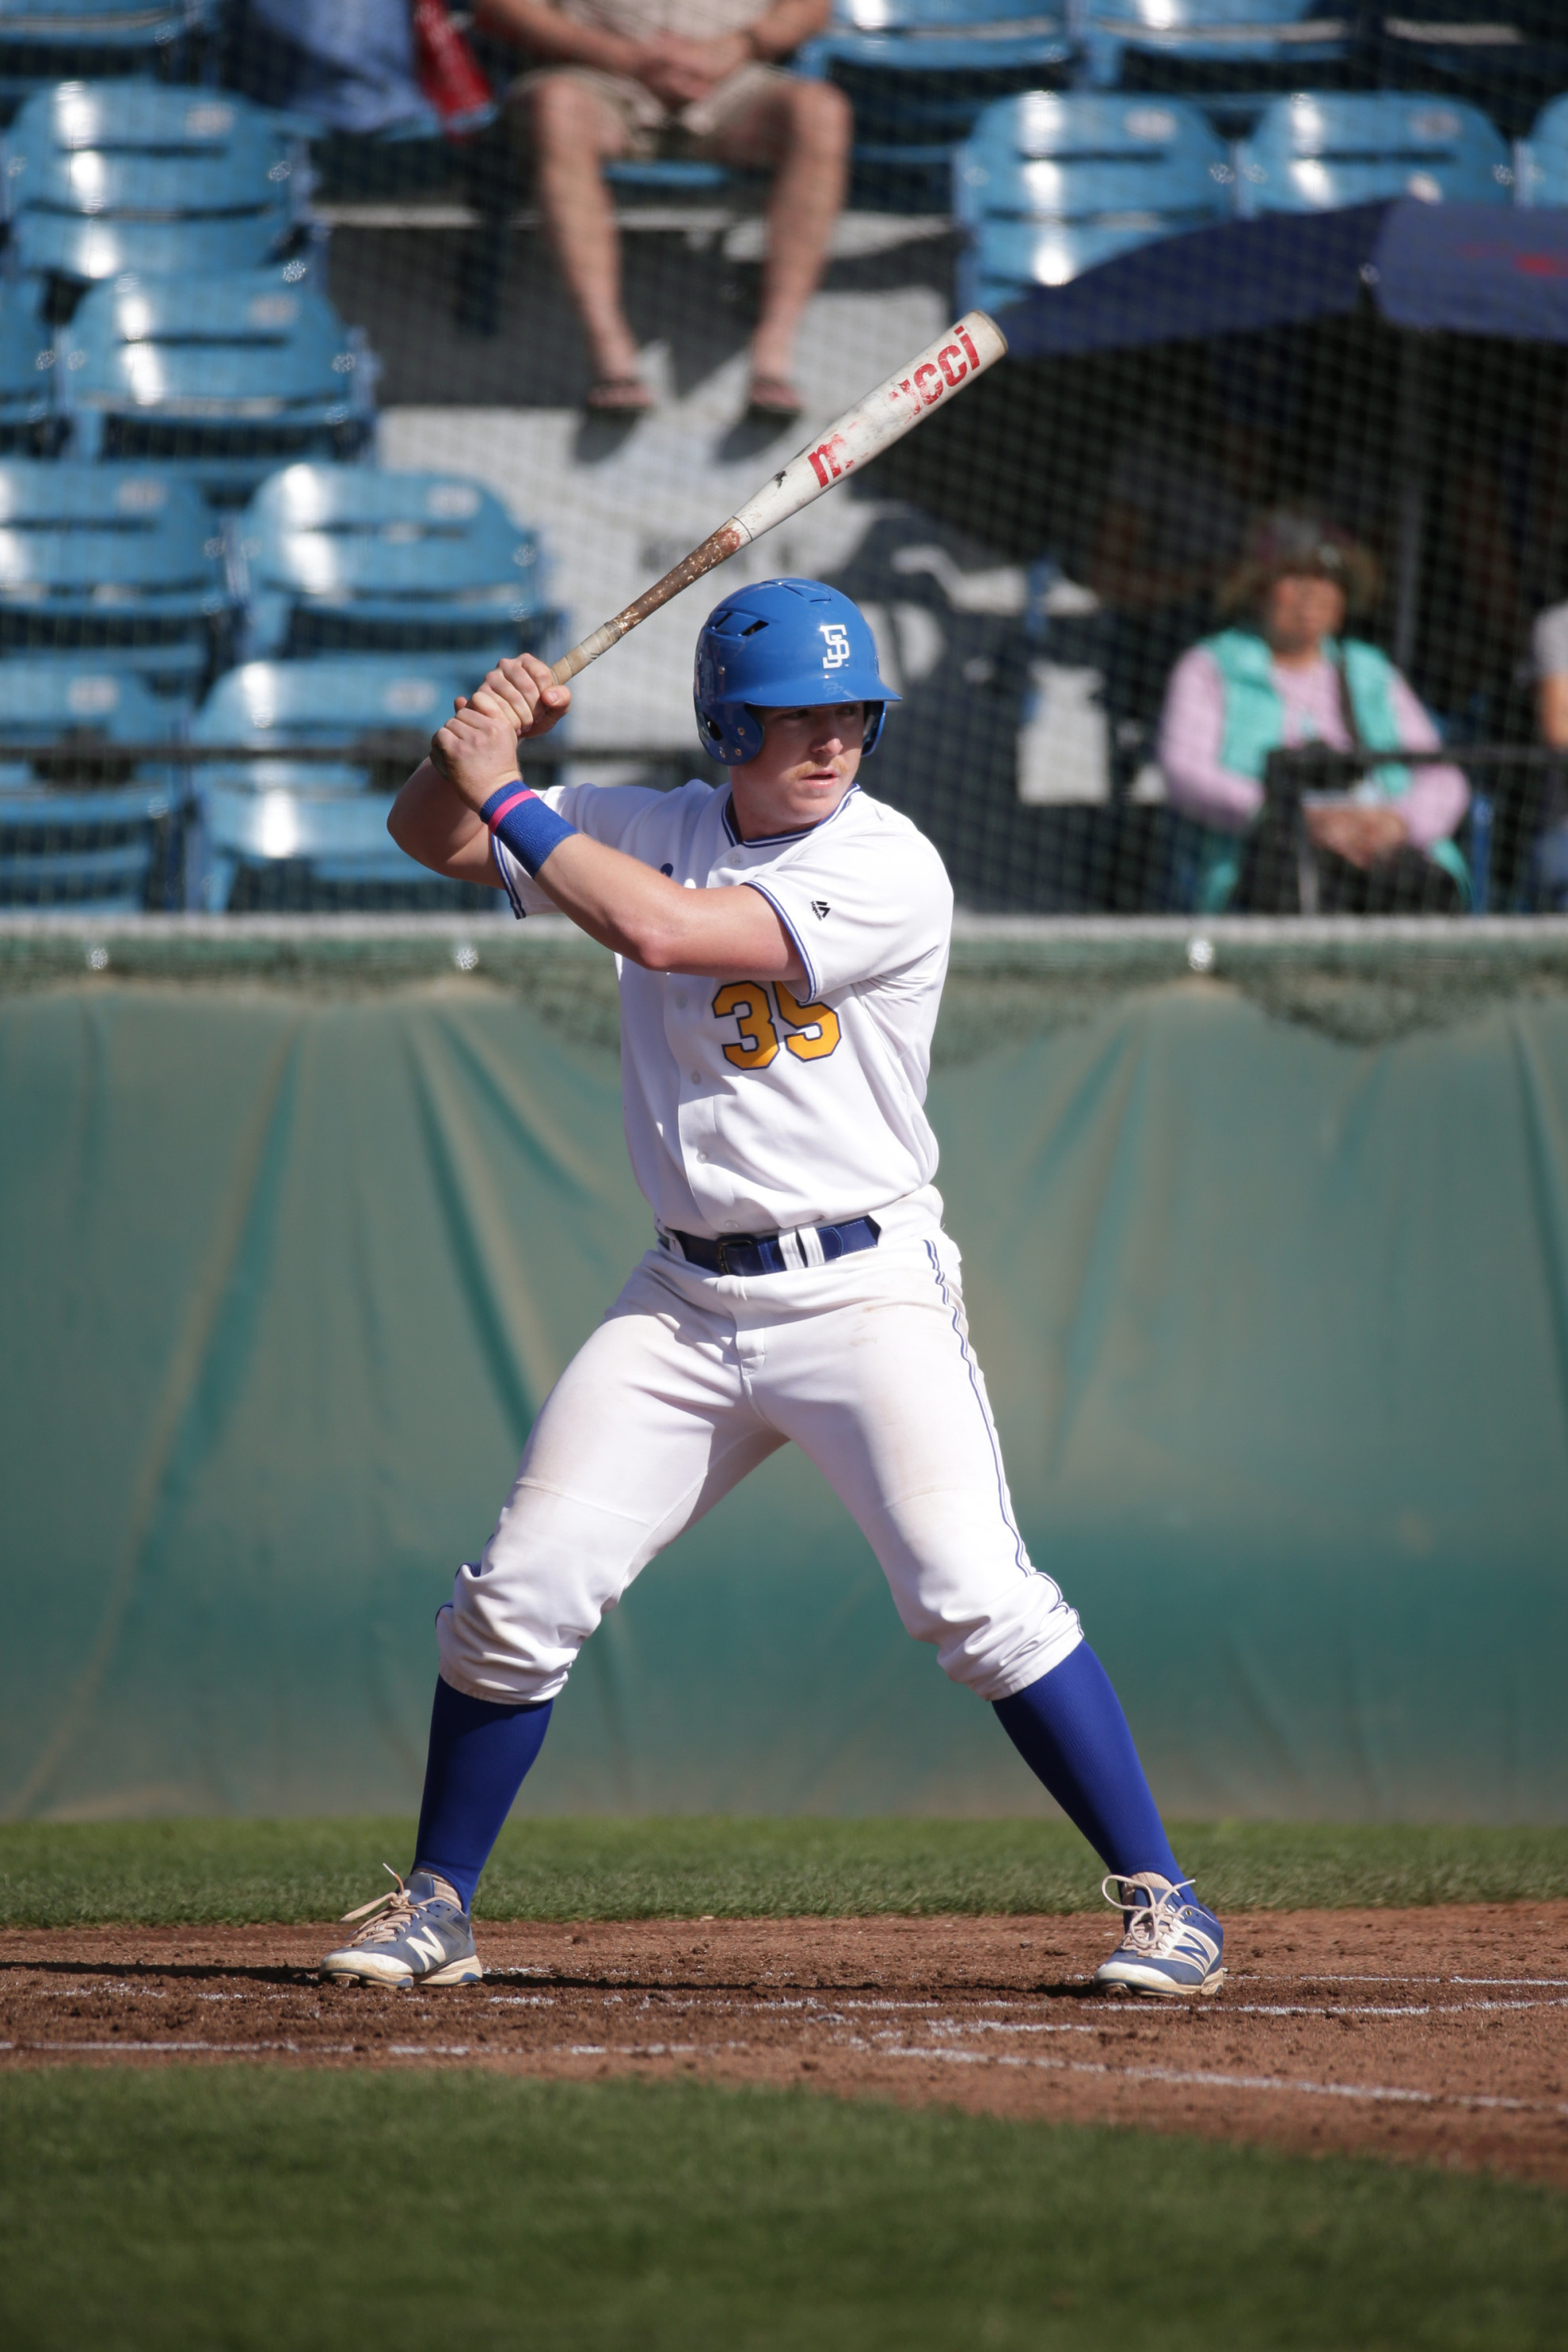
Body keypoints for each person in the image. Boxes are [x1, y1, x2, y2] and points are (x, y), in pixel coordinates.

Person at [319, 577, 1227, 2000]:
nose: (830, 740)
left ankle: (1168, 1903)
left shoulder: (890, 865)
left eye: (851, 712)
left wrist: (513, 794)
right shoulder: (652, 818)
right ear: (727, 722)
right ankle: (439, 1901)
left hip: (863, 1297)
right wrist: (468, 756)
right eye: (795, 716)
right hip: (682, 1303)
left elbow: (669, 936)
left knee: (974, 1601)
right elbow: (430, 839)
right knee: (518, 1595)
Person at [476, 0, 849, 416]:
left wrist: (739, 46)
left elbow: (812, 7)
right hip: (593, 77)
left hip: (731, 81)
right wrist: (614, 53)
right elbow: (498, 8)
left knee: (821, 112)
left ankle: (774, 353)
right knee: (555, 106)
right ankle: (610, 353)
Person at [1159, 512, 1470, 915]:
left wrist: (1396, 824)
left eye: (1326, 579)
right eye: (1294, 576)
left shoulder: (1372, 672)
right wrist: (1300, 819)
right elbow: (1185, 773)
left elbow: (1444, 777)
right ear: (1259, 590)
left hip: (1384, 854)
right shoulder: (1208, 667)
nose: (1312, 593)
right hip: (1266, 859)